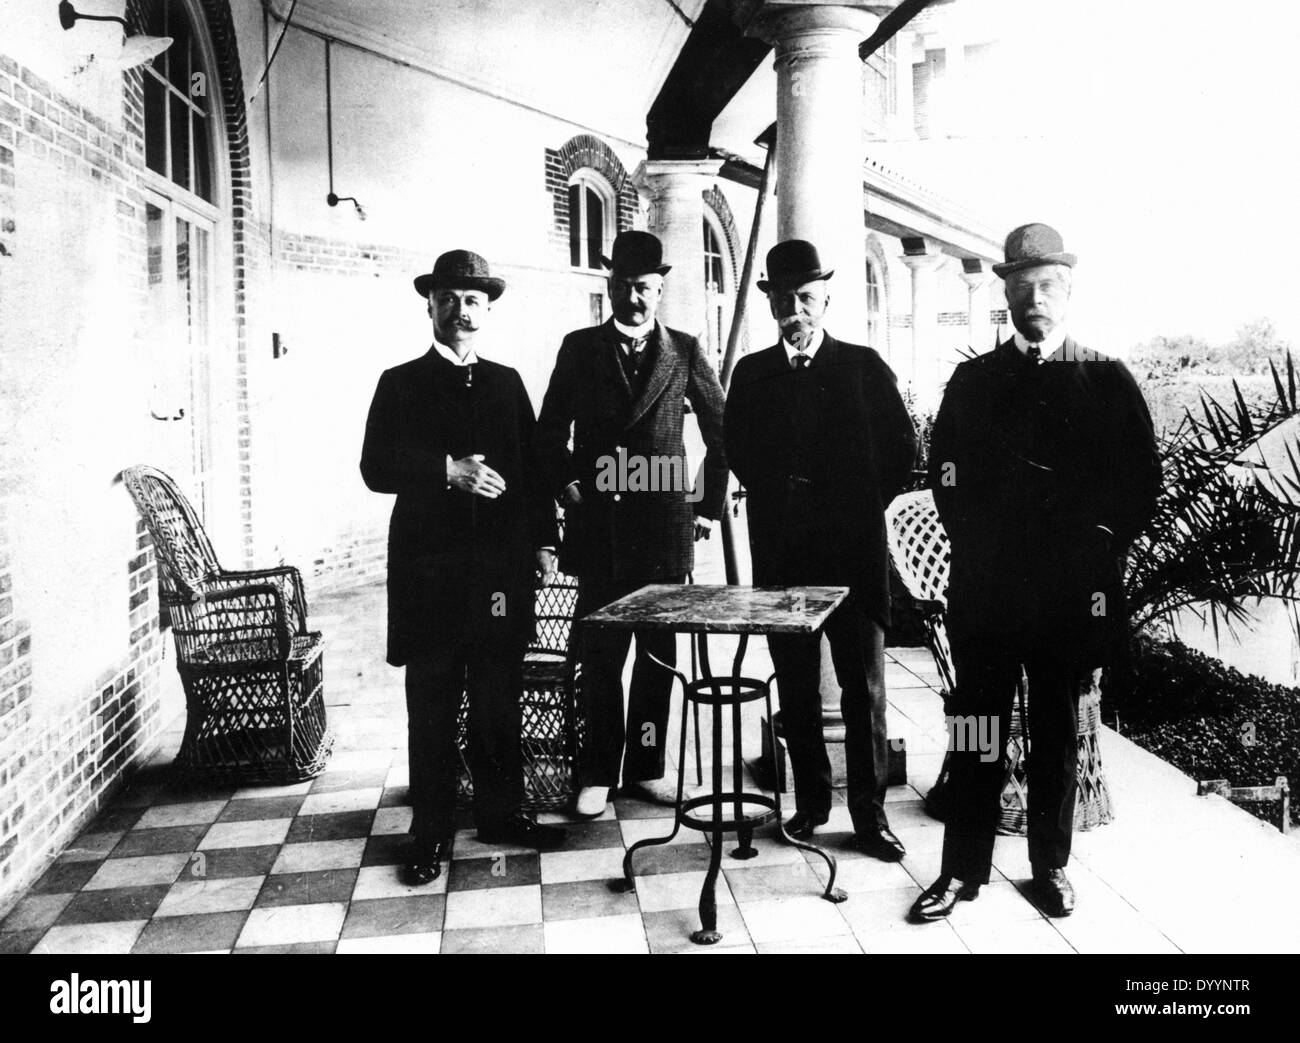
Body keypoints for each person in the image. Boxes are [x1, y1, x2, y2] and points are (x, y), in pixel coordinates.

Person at [912, 223, 1160, 921]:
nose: (1035, 298)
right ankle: (961, 871)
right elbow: (947, 472)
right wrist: (977, 536)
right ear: (1006, 294)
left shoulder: (1105, 379)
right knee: (977, 730)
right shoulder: (975, 381)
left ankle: (1049, 866)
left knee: (1054, 729)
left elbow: (1141, 480)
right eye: (1021, 286)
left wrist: (1094, 546)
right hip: (986, 592)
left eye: (1048, 285)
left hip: (1064, 597)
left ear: (1068, 291)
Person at [361, 249, 566, 886]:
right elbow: (375, 468)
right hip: (430, 575)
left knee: (498, 698)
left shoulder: (506, 382)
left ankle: (500, 815)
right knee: (433, 702)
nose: (461, 310)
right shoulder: (400, 382)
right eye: (449, 298)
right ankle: (430, 833)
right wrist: (447, 471)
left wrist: (541, 543)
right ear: (430, 305)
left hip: (500, 578)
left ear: (487, 309)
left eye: (473, 300)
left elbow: (532, 474)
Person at [725, 239, 917, 860]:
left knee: (863, 691)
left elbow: (901, 455)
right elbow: (739, 454)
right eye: (784, 299)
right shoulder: (753, 374)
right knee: (797, 688)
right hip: (784, 562)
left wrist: (850, 509)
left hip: (854, 560)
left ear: (826, 299)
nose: (796, 309)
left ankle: (870, 817)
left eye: (806, 297)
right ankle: (811, 804)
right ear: (771, 304)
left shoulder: (862, 367)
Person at [537, 230, 728, 817]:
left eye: (645, 287)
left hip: (664, 527)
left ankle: (646, 768)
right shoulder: (578, 348)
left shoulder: (688, 350)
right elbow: (548, 431)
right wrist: (563, 481)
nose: (634, 298)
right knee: (599, 658)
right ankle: (596, 774)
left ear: (660, 289)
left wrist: (705, 507)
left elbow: (723, 436)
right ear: (609, 285)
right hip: (600, 524)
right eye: (623, 285)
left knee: (657, 659)